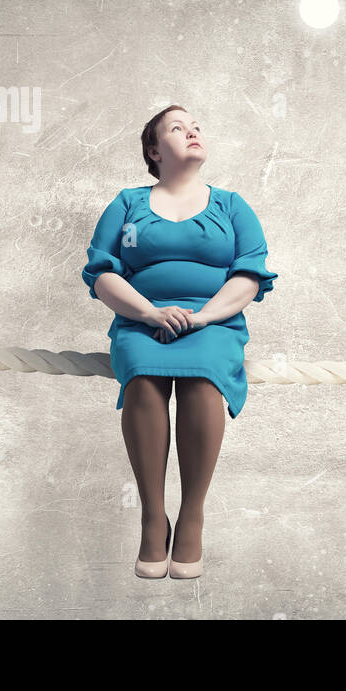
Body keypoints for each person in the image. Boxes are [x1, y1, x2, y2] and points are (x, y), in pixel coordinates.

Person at [81, 105, 277, 579]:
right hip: (140, 320)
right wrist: (149, 312)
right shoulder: (127, 203)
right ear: (153, 150)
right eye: (176, 128)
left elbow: (250, 274)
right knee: (143, 380)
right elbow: (101, 272)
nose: (191, 132)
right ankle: (152, 515)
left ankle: (192, 515)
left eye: (195, 126)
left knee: (203, 382)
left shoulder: (232, 205)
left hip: (213, 323)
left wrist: (203, 317)